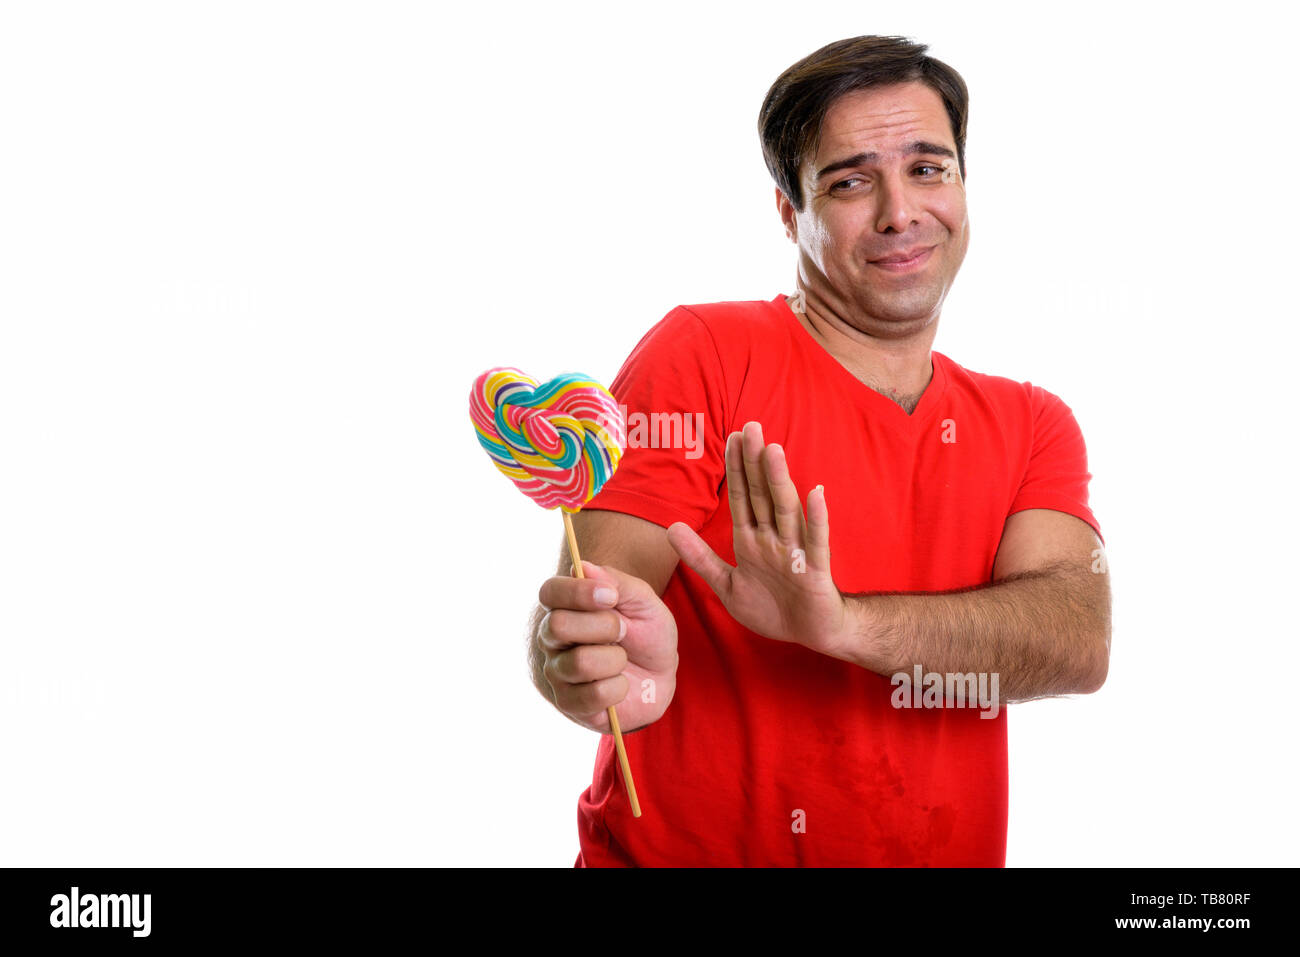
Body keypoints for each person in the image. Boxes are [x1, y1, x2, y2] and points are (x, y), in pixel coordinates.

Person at [528, 35, 1110, 867]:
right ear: (788, 211)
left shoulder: (1032, 422)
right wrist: (587, 659)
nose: (899, 211)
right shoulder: (702, 354)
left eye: (928, 168)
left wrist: (838, 626)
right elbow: (591, 627)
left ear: (964, 185)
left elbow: (1075, 638)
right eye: (849, 180)